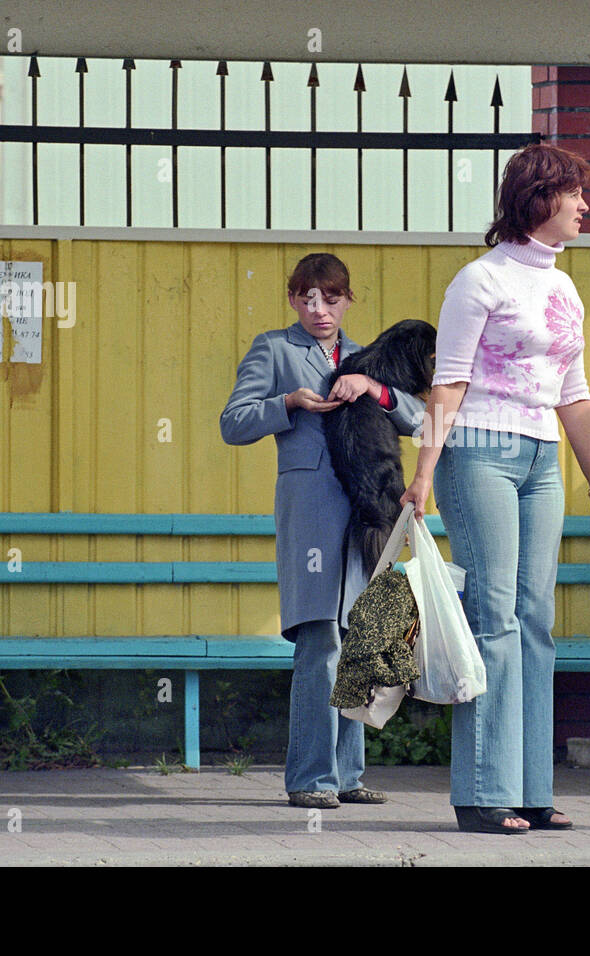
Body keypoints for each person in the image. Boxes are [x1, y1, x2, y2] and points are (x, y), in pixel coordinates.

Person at [401, 144, 590, 834]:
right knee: (493, 617)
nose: (587, 206)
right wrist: (426, 473)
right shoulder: (479, 280)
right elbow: (451, 381)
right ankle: (482, 792)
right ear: (539, 198)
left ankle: (530, 789)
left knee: (536, 620)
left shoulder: (564, 287)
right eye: (577, 193)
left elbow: (573, 394)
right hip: (480, 455)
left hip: (544, 461)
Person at [220, 253, 425, 810]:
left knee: (362, 637)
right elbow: (232, 423)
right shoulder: (274, 349)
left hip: (370, 515)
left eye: (330, 298)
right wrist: (288, 402)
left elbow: (420, 418)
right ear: (293, 299)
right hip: (310, 510)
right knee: (320, 640)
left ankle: (348, 774)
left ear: (347, 300)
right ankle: (311, 778)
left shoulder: (366, 358)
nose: (319, 309)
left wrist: (376, 390)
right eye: (307, 297)